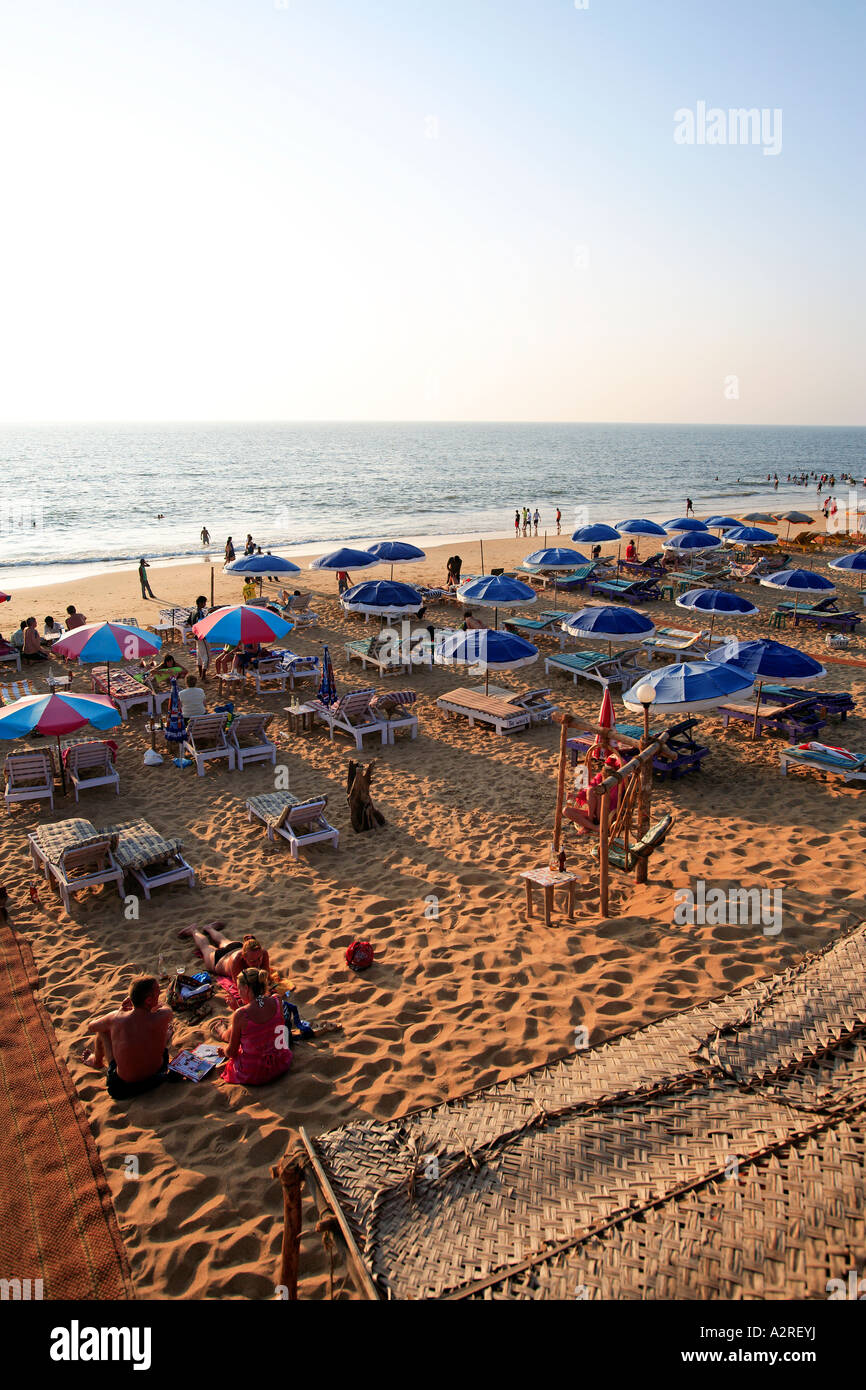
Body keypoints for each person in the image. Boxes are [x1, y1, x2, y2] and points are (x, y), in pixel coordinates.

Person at [84, 976, 173, 1102]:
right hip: (158, 1075)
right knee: (156, 1031)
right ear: (148, 1000)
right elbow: (165, 1008)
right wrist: (153, 1007)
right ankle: (97, 1061)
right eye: (157, 991)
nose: (160, 992)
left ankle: (97, 1061)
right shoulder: (164, 1015)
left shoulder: (116, 1018)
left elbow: (92, 1026)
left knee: (103, 1031)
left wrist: (119, 1012)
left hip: (124, 1088)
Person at [214, 968, 292, 1087]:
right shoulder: (277, 1000)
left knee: (223, 1067)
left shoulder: (241, 1014)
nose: (238, 992)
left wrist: (223, 1051)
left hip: (255, 1073)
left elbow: (231, 1051)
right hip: (280, 1063)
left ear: (246, 989)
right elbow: (270, 1027)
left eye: (239, 988)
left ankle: (221, 1033)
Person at [178, 924, 272, 982]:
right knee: (205, 947)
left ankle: (209, 928)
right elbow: (240, 985)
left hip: (236, 947)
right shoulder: (236, 962)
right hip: (219, 959)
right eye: (252, 961)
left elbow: (267, 977)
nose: (257, 964)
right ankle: (193, 930)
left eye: (259, 959)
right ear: (244, 957)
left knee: (222, 940)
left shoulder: (263, 953)